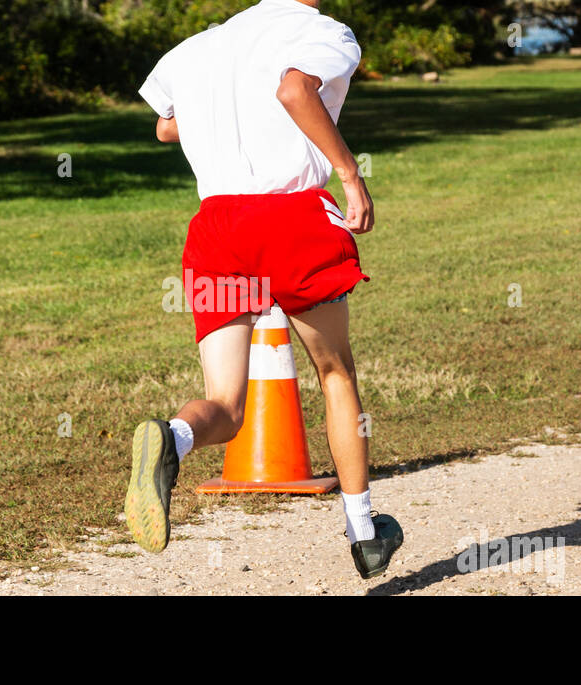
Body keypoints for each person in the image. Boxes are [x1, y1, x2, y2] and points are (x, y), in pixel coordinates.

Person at [124, 0, 402, 579]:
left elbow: (166, 127)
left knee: (225, 407)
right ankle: (364, 532)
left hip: (218, 227)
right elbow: (295, 91)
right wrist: (350, 174)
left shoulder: (202, 44)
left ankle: (171, 440)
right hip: (292, 220)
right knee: (335, 373)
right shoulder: (324, 31)